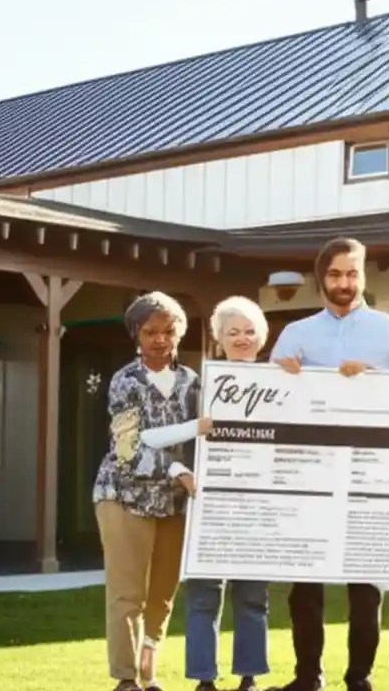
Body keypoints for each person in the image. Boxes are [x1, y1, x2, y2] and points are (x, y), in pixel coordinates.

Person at [266, 236, 389, 691]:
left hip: (368, 475)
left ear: (363, 275)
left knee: (365, 587)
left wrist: (376, 381)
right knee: (306, 588)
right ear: (322, 279)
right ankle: (307, 678)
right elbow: (271, 402)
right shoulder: (296, 335)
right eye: (335, 274)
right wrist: (283, 376)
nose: (344, 283)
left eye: (352, 273)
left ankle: (360, 679)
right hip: (311, 476)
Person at [142, 295, 274, 691]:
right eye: (233, 332)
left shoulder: (281, 385)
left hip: (259, 508)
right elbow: (169, 442)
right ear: (219, 339)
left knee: (252, 597)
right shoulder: (198, 389)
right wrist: (181, 470)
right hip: (208, 505)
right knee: (203, 595)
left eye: (250, 331)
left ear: (261, 338)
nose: (242, 338)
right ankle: (204, 680)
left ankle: (249, 678)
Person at [93, 291, 202, 691]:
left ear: (179, 333)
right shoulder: (125, 381)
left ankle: (148, 675)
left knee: (163, 595)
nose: (159, 340)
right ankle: (125, 680)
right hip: (123, 496)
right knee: (128, 593)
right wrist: (176, 468)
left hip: (172, 501)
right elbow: (127, 448)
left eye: (168, 331)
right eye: (150, 331)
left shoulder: (192, 382)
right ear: (135, 335)